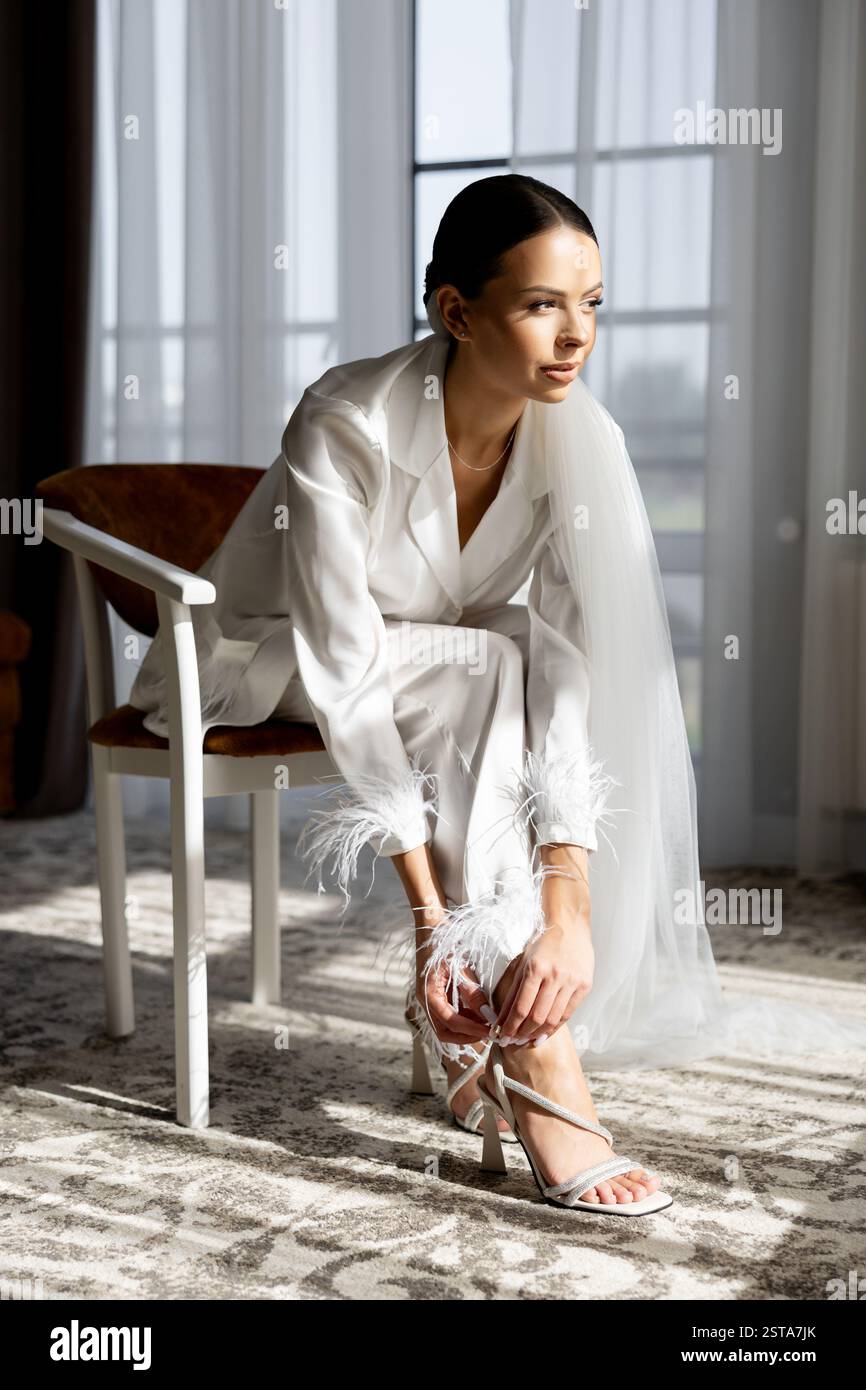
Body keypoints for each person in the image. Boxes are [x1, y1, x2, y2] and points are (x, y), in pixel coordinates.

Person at [129, 173, 866, 1217]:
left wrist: (568, 896)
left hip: (429, 667)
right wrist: (430, 917)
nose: (575, 336)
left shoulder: (576, 442)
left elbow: (564, 654)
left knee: (524, 645)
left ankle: (503, 993)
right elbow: (341, 657)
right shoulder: (348, 417)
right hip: (253, 657)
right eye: (540, 305)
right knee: (489, 660)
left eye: (591, 304)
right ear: (454, 311)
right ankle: (539, 1055)